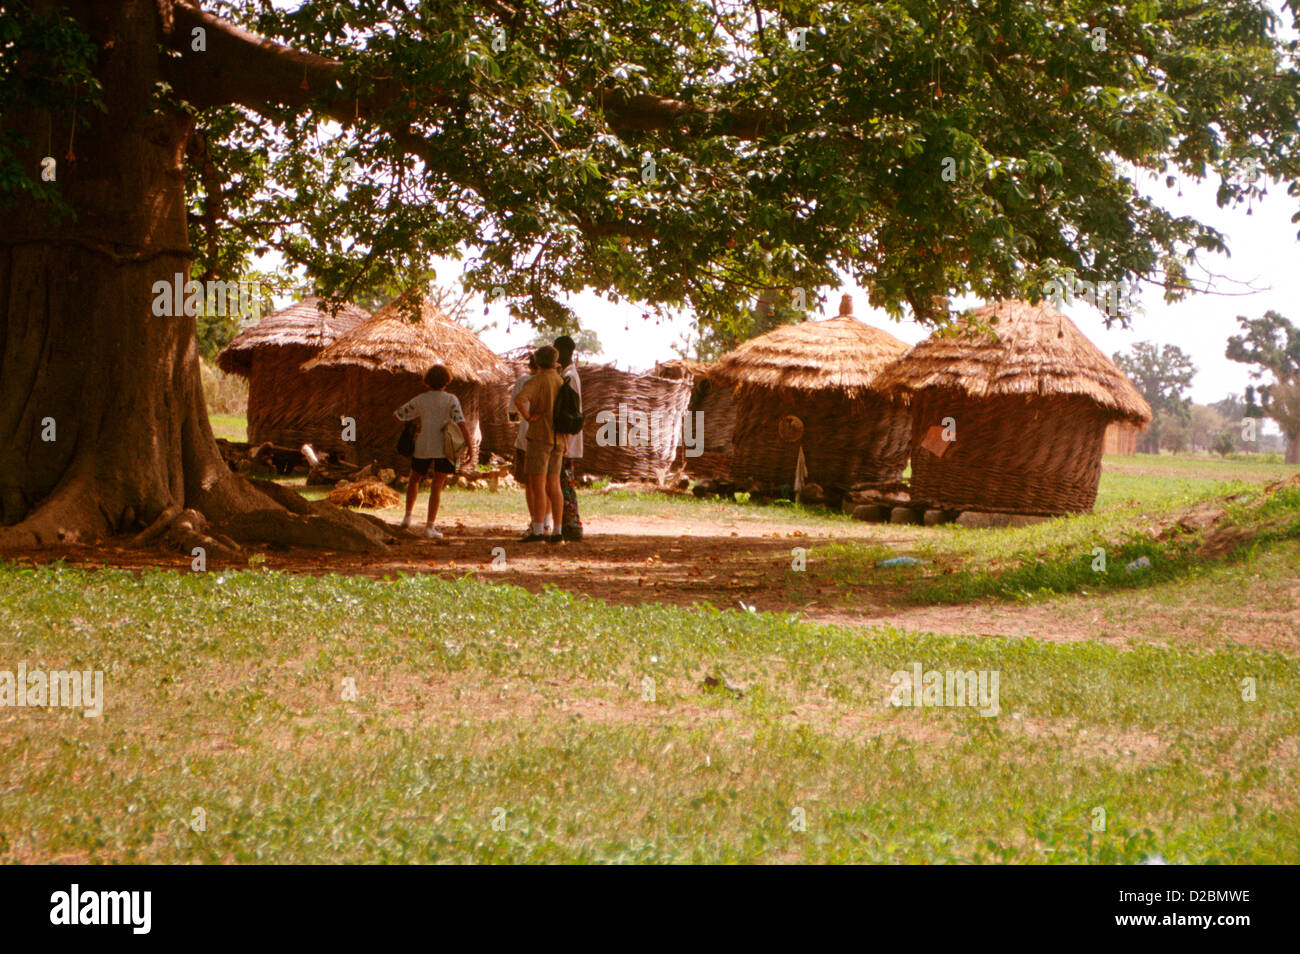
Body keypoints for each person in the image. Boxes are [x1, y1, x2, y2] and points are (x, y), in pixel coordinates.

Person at [394, 364, 472, 539]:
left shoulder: (421, 399)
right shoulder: (451, 399)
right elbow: (461, 422)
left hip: (423, 443)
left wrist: (416, 425)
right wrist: (470, 446)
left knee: (414, 479)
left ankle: (407, 517)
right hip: (444, 446)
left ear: (427, 381)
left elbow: (399, 413)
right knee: (437, 485)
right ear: (446, 380)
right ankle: (430, 527)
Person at [513, 346, 565, 543]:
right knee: (554, 484)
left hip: (539, 436)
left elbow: (519, 400)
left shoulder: (538, 380)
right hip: (558, 437)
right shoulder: (561, 381)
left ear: (538, 361)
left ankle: (537, 530)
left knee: (538, 485)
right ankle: (557, 531)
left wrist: (528, 417)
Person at [508, 353, 552, 537]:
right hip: (548, 438)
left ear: (531, 366)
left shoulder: (523, 382)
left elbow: (512, 412)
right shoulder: (553, 383)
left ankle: (535, 522)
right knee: (548, 482)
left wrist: (526, 417)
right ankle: (547, 522)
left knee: (530, 484)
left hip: (526, 439)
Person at [553, 334, 585, 542]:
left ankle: (573, 524)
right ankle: (567, 522)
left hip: (566, 438)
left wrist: (564, 439)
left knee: (565, 481)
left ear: (564, 352)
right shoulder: (567, 374)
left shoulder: (570, 377)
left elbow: (569, 411)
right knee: (563, 480)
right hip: (566, 438)